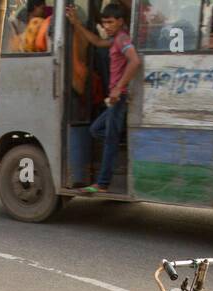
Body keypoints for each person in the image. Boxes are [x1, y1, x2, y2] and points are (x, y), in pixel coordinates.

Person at [67, 3, 140, 194]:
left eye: (110, 22)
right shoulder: (115, 39)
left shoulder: (123, 39)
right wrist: (76, 23)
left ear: (121, 21)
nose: (106, 26)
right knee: (96, 130)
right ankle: (117, 141)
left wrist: (118, 87)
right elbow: (97, 42)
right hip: (115, 100)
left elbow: (135, 61)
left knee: (108, 139)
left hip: (119, 98)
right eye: (104, 22)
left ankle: (103, 183)